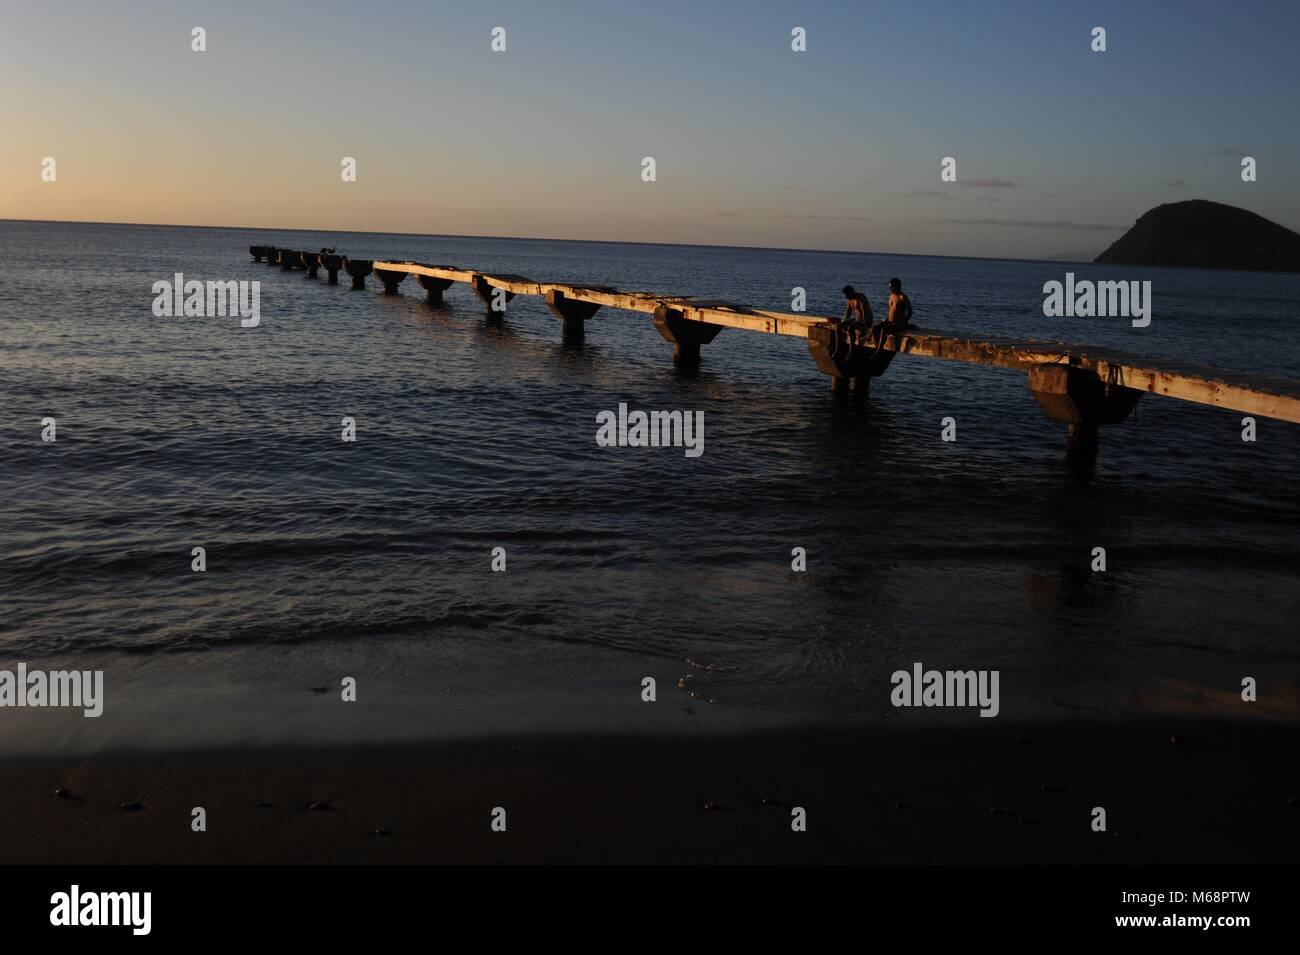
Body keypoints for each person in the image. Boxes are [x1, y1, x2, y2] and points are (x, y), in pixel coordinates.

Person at [872, 277, 913, 358]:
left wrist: (904, 323)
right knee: (874, 329)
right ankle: (879, 349)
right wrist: (885, 320)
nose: (889, 288)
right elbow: (890, 310)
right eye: (889, 287)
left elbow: (910, 312)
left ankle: (879, 350)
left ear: (897, 286)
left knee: (884, 331)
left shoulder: (902, 297)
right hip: (889, 321)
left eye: (891, 287)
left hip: (898, 324)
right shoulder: (891, 296)